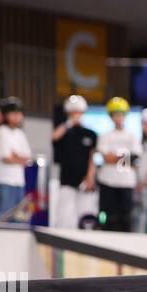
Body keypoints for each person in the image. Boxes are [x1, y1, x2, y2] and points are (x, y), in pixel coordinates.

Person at [51, 94, 97, 229]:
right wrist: (68, 123)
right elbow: (54, 137)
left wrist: (90, 177)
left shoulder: (90, 134)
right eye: (73, 112)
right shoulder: (64, 132)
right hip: (67, 180)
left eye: (78, 111)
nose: (76, 114)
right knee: (64, 216)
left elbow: (92, 157)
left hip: (84, 181)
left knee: (85, 218)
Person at [96, 96, 140, 231]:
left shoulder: (132, 136)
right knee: (107, 216)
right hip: (107, 180)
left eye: (121, 115)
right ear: (111, 116)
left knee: (126, 217)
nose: (118, 118)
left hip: (126, 182)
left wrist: (114, 157)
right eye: (115, 115)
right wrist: (124, 158)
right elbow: (105, 158)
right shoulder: (105, 136)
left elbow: (135, 158)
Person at [0, 97, 32, 220]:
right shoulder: (1, 131)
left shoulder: (20, 134)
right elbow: (6, 157)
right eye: (13, 113)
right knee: (2, 214)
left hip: (18, 181)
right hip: (3, 180)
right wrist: (17, 158)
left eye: (19, 113)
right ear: (5, 115)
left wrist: (16, 156)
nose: (17, 116)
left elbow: (28, 158)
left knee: (17, 215)